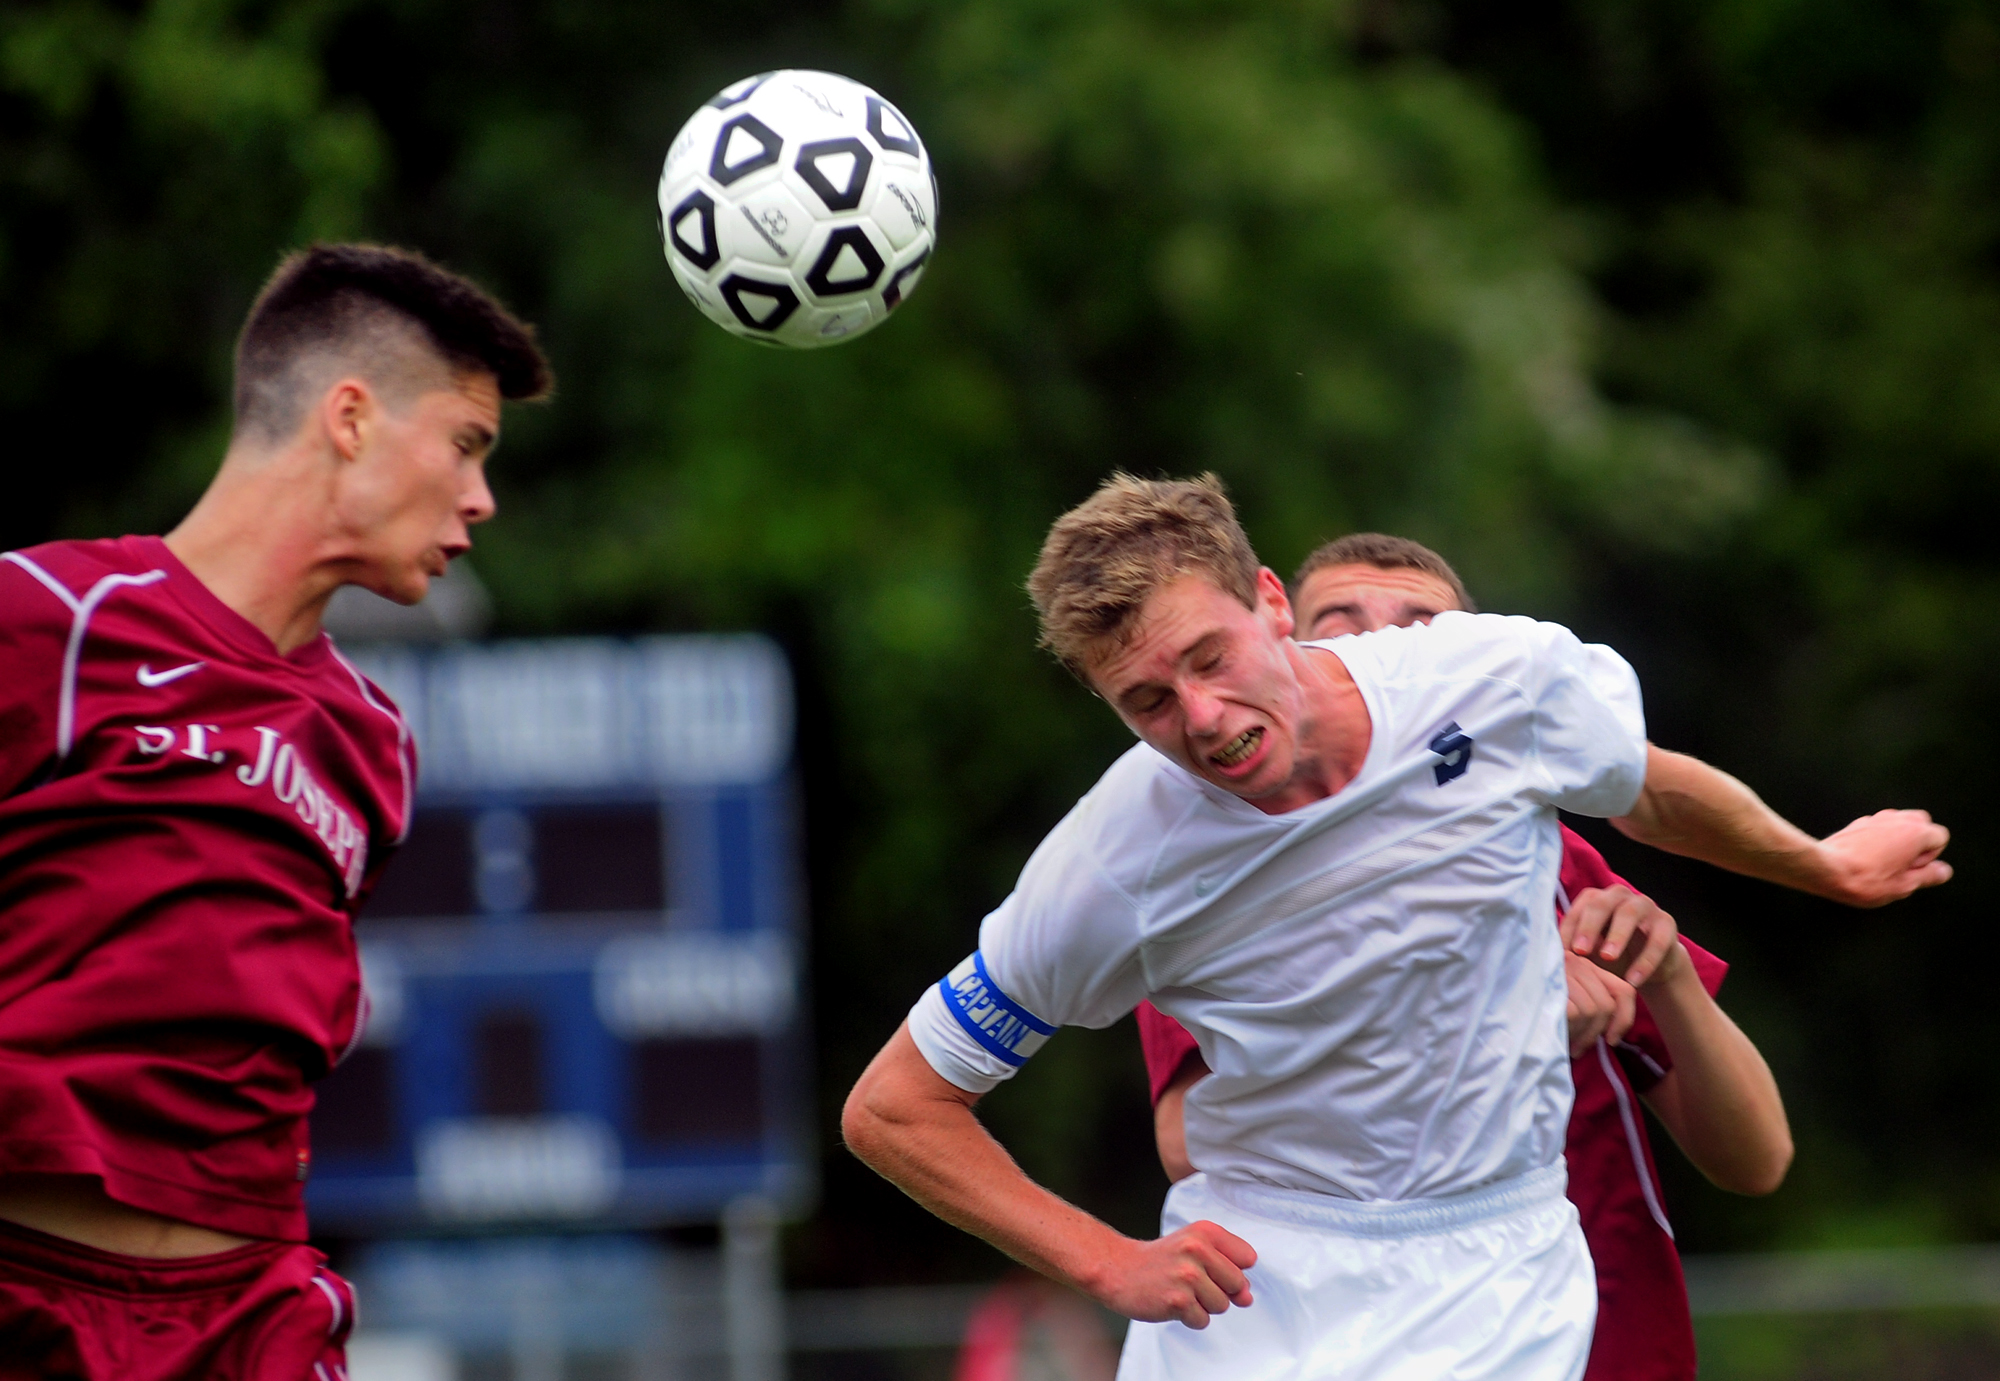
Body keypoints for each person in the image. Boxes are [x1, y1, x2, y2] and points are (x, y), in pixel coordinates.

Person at [842, 475, 1948, 1381]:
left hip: (1492, 1274)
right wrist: (1103, 1262)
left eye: (1208, 658)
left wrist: (1818, 862)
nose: (1204, 721)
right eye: (1147, 702)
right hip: (1250, 1288)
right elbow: (895, 1107)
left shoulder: (1491, 680)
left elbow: (1644, 789)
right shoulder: (1110, 864)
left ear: (1268, 601)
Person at [0, 243, 550, 1380]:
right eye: (465, 443)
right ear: (349, 416)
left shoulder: (371, 744)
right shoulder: (48, 617)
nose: (480, 496)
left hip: (247, 1318)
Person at [1140, 533, 1804, 1381]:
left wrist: (1669, 976)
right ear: (1281, 649)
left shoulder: (1556, 860)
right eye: (1340, 623)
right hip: (1361, 1343)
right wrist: (1493, 1025)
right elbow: (1188, 1143)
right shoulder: (1216, 868)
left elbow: (1757, 1160)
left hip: (1607, 1338)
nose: (1382, 645)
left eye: (1425, 628)